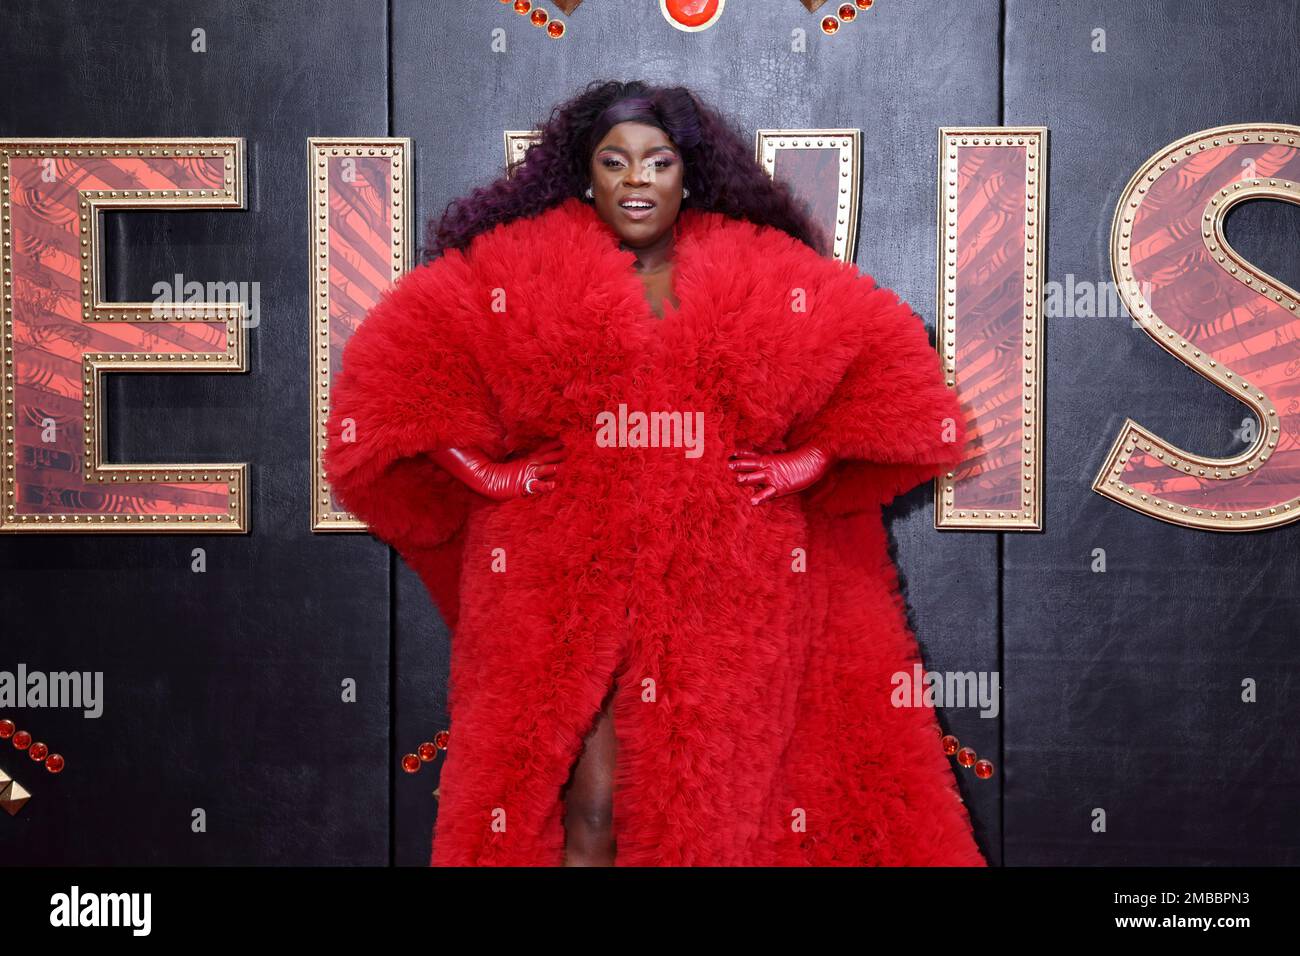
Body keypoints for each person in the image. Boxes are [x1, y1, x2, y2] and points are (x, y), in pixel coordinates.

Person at [324, 79, 986, 867]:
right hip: (561, 578)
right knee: (586, 807)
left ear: (688, 173)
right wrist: (493, 479)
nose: (637, 179)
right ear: (584, 174)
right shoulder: (509, 267)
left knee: (709, 807)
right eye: (615, 161)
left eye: (658, 161)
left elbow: (891, 380)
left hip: (720, 585)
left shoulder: (765, 269)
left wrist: (802, 466)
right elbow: (396, 386)